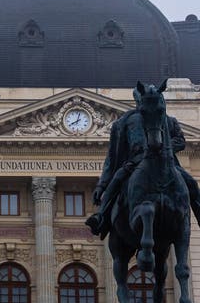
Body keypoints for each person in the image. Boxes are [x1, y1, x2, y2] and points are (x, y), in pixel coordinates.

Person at [86, 84, 200, 239]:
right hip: (134, 164)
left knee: (191, 183)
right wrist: (101, 185)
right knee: (117, 179)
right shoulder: (123, 122)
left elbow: (180, 141)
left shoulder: (165, 119)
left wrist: (165, 147)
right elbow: (111, 159)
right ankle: (100, 216)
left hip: (165, 163)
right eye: (139, 98)